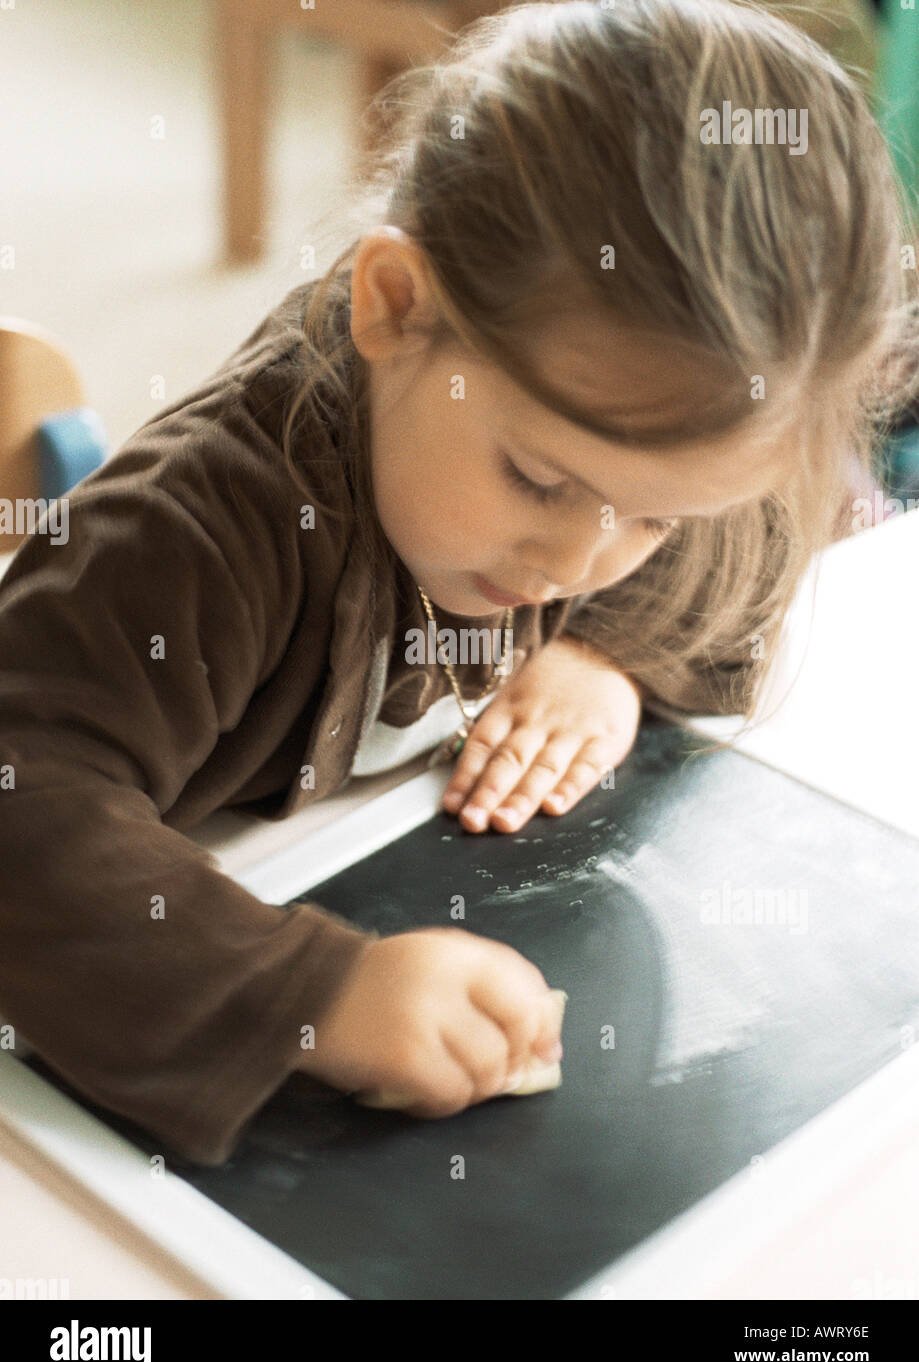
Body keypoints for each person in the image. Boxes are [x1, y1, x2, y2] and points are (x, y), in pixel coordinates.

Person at [0, 0, 915, 1166]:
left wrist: (611, 652)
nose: (576, 560)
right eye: (537, 480)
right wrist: (307, 990)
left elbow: (746, 550)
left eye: (653, 516)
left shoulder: (637, 425)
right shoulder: (202, 529)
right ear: (393, 306)